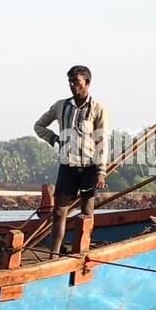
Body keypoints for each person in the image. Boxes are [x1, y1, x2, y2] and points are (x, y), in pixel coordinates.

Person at [34, 65, 109, 258]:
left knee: (86, 213)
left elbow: (102, 141)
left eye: (76, 81)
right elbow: (39, 125)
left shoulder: (98, 108)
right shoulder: (61, 106)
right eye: (70, 81)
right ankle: (54, 254)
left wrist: (101, 171)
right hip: (67, 166)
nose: (72, 85)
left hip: (89, 168)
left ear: (87, 83)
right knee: (59, 212)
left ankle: (81, 253)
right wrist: (54, 138)